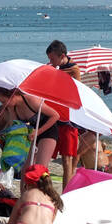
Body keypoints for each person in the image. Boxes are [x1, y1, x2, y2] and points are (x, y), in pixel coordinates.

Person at [0, 85, 59, 167]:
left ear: (13, 96)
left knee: (40, 167)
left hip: (48, 131)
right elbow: (15, 126)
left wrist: (38, 132)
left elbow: (55, 115)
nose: (3, 105)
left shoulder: (31, 100)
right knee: (25, 168)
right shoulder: (13, 107)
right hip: (32, 134)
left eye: (4, 101)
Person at [45, 40, 82, 184]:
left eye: (52, 59)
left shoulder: (73, 69)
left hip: (68, 120)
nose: (50, 62)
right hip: (54, 116)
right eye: (49, 59)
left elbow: (76, 92)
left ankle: (66, 194)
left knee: (67, 159)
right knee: (47, 156)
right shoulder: (54, 68)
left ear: (62, 56)